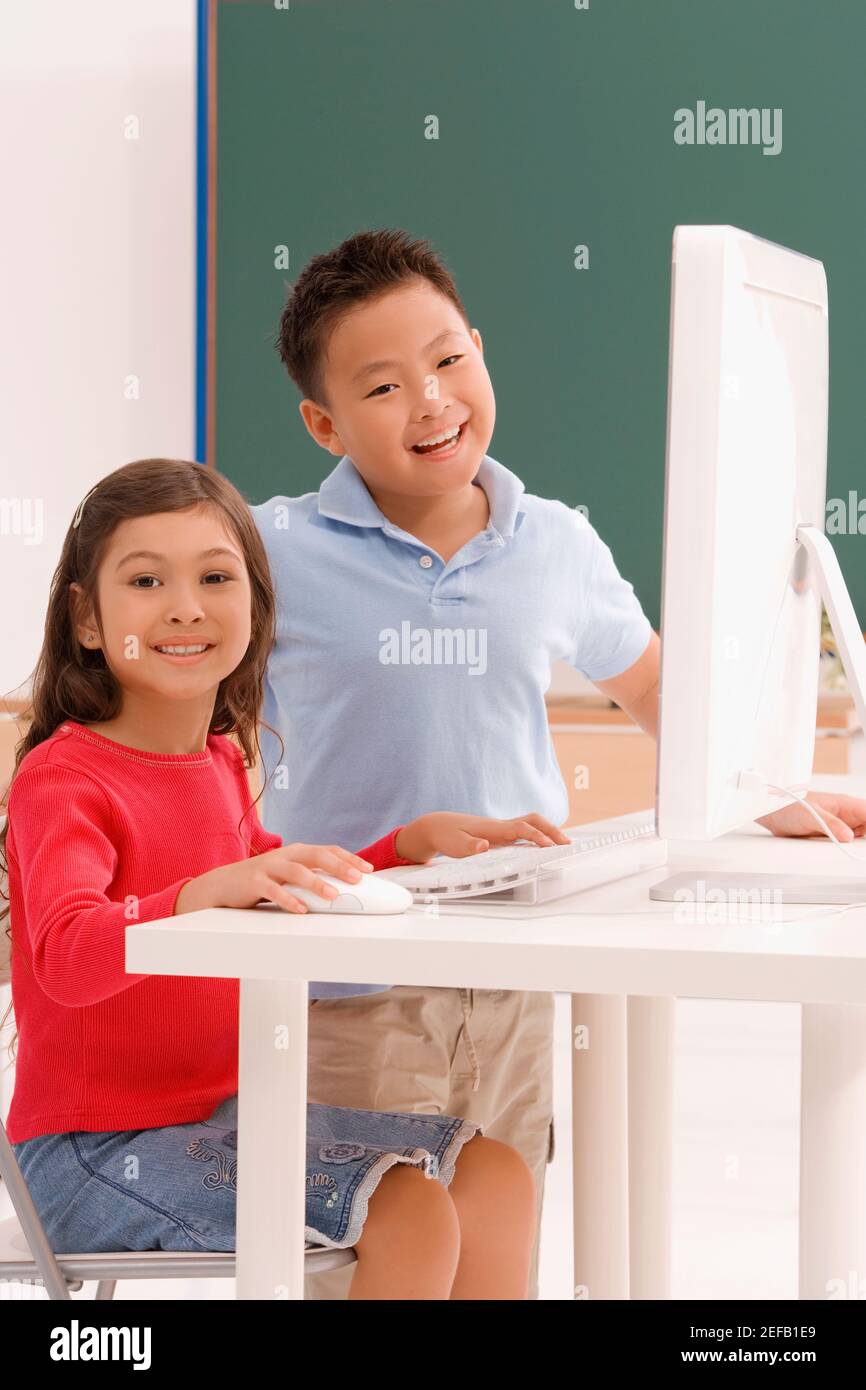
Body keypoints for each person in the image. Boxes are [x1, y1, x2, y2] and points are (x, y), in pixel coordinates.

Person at [257, 227, 866, 1300]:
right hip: (351, 987)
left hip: (513, 975)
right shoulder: (272, 555)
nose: (432, 400)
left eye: (449, 361)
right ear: (323, 422)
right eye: (385, 385)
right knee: (374, 1263)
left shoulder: (555, 543)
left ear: (482, 352)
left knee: (500, 1257)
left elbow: (657, 693)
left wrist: (765, 795)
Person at [0, 458, 549, 1299]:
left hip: (218, 1118)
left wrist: (404, 845)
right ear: (86, 618)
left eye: (216, 577)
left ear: (257, 607)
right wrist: (198, 895)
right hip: (90, 1153)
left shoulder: (218, 759)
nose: (185, 605)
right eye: (146, 580)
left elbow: (274, 882)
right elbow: (68, 957)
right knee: (410, 1211)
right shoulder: (64, 779)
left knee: (495, 1175)